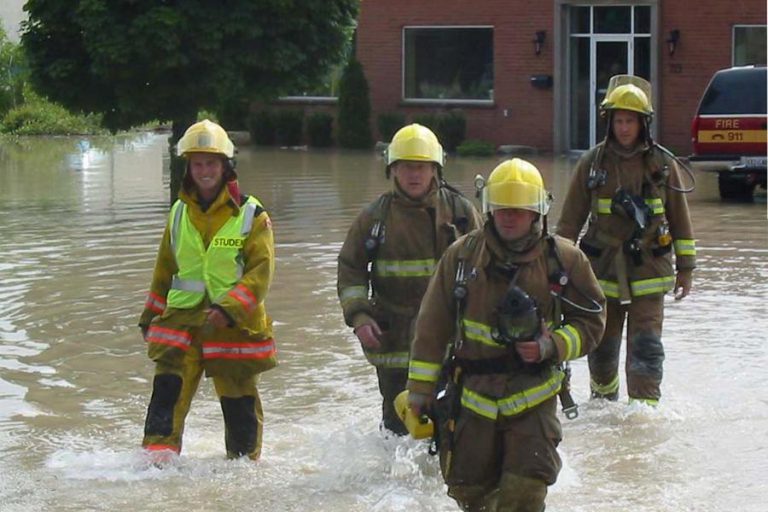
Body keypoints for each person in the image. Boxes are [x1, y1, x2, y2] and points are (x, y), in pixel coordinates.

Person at [406, 158, 606, 512]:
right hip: (473, 402)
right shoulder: (462, 257)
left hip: (533, 402)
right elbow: (432, 327)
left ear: (536, 212)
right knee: (470, 494)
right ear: (489, 209)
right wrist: (420, 391)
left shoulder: (564, 259)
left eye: (518, 210)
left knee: (525, 493)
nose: (508, 217)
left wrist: (551, 345)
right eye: (501, 209)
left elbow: (592, 322)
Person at [138, 119, 277, 461]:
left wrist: (228, 308)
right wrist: (150, 315)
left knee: (239, 406)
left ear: (226, 166)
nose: (204, 171)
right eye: (197, 164)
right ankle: (155, 472)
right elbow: (164, 270)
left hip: (233, 327)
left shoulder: (252, 214)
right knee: (166, 398)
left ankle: (242, 475)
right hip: (180, 325)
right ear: (188, 167)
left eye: (211, 164)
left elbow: (260, 274)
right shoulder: (178, 213)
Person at [556, 75, 696, 405]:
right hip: (601, 272)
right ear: (609, 123)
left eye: (630, 121)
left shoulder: (662, 165)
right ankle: (603, 408)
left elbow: (680, 219)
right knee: (602, 347)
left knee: (647, 348)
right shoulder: (592, 164)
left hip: (649, 270)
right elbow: (568, 224)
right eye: (618, 121)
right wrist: (557, 272)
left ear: (643, 123)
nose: (623, 128)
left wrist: (686, 269)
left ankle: (643, 416)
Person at [337, 123, 483, 435]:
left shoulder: (460, 213)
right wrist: (360, 317)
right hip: (394, 338)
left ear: (435, 169)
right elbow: (351, 269)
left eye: (421, 167)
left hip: (449, 336)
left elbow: (486, 269)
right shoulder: (374, 218)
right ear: (392, 169)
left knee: (452, 421)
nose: (414, 175)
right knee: (396, 427)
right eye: (406, 167)